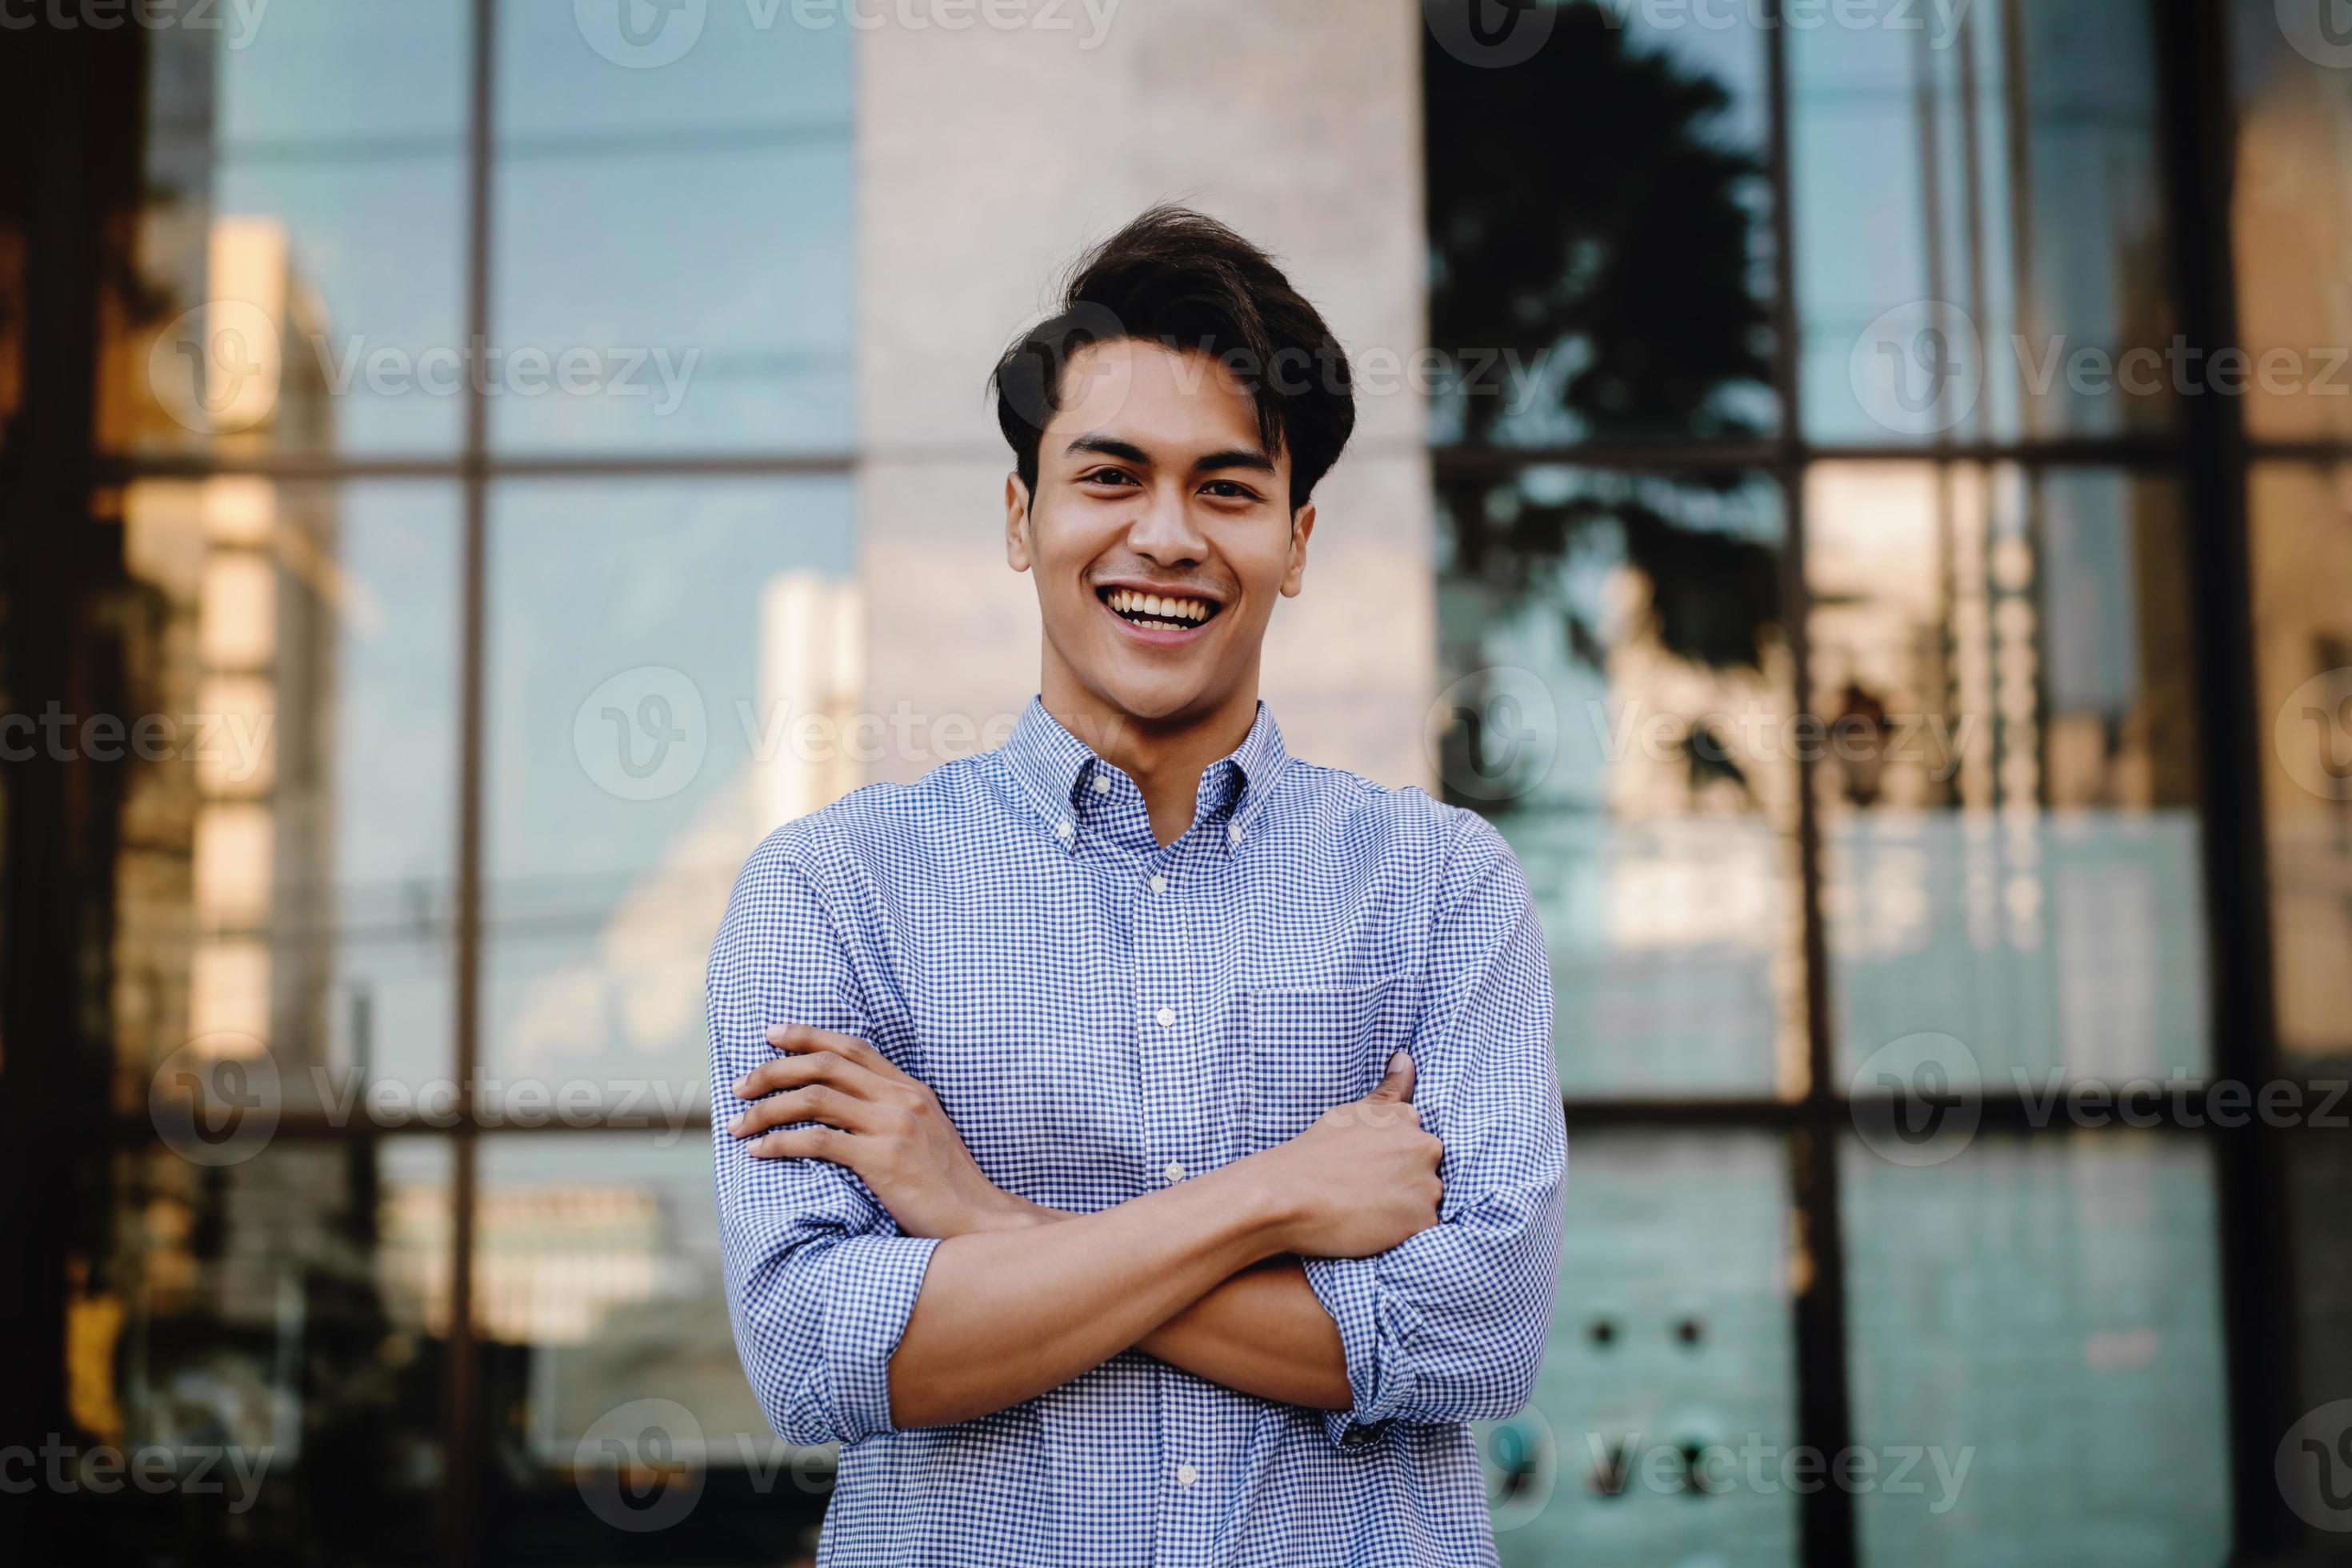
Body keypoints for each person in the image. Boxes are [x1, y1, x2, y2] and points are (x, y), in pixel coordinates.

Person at [708, 205, 1566, 1567]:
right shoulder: (833, 892)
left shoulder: (1440, 886)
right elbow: (822, 1355)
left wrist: (977, 1221)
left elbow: (1477, 1336)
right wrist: (1279, 1197)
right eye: (1111, 477)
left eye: (1227, 489)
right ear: (1021, 514)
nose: (1166, 538)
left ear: (1295, 541)